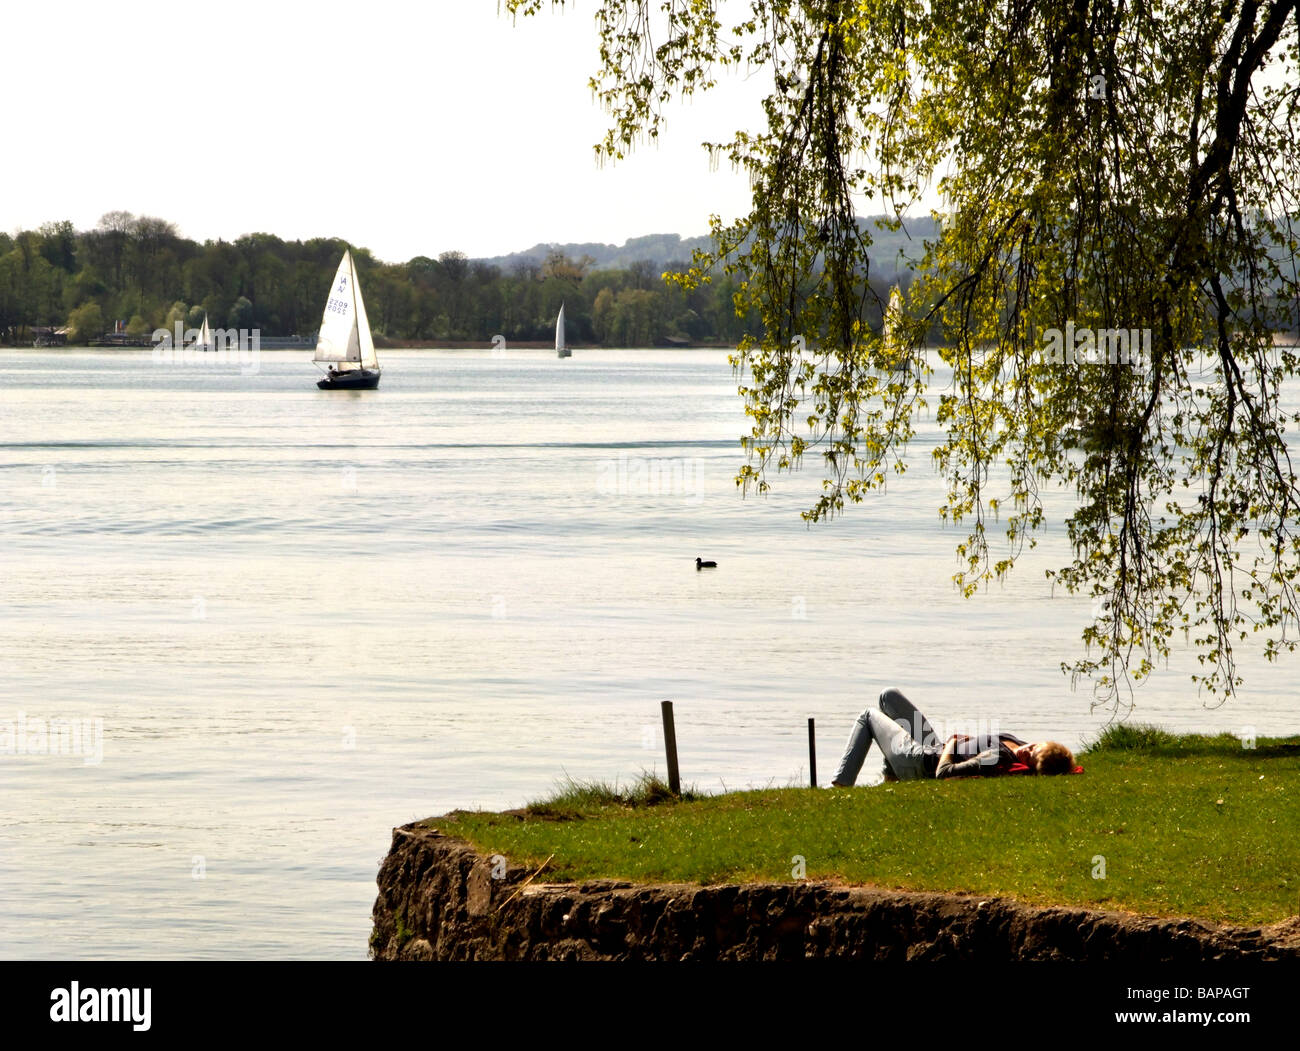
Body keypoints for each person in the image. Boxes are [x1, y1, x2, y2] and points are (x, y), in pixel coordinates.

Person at [829, 688, 1076, 786]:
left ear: (1031, 767)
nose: (1026, 751)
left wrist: (953, 743)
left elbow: (943, 773)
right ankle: (891, 780)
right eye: (1033, 747)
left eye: (1030, 757)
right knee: (888, 697)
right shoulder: (1017, 745)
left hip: (922, 761)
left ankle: (841, 785)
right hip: (933, 747)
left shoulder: (997, 757)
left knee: (868, 716)